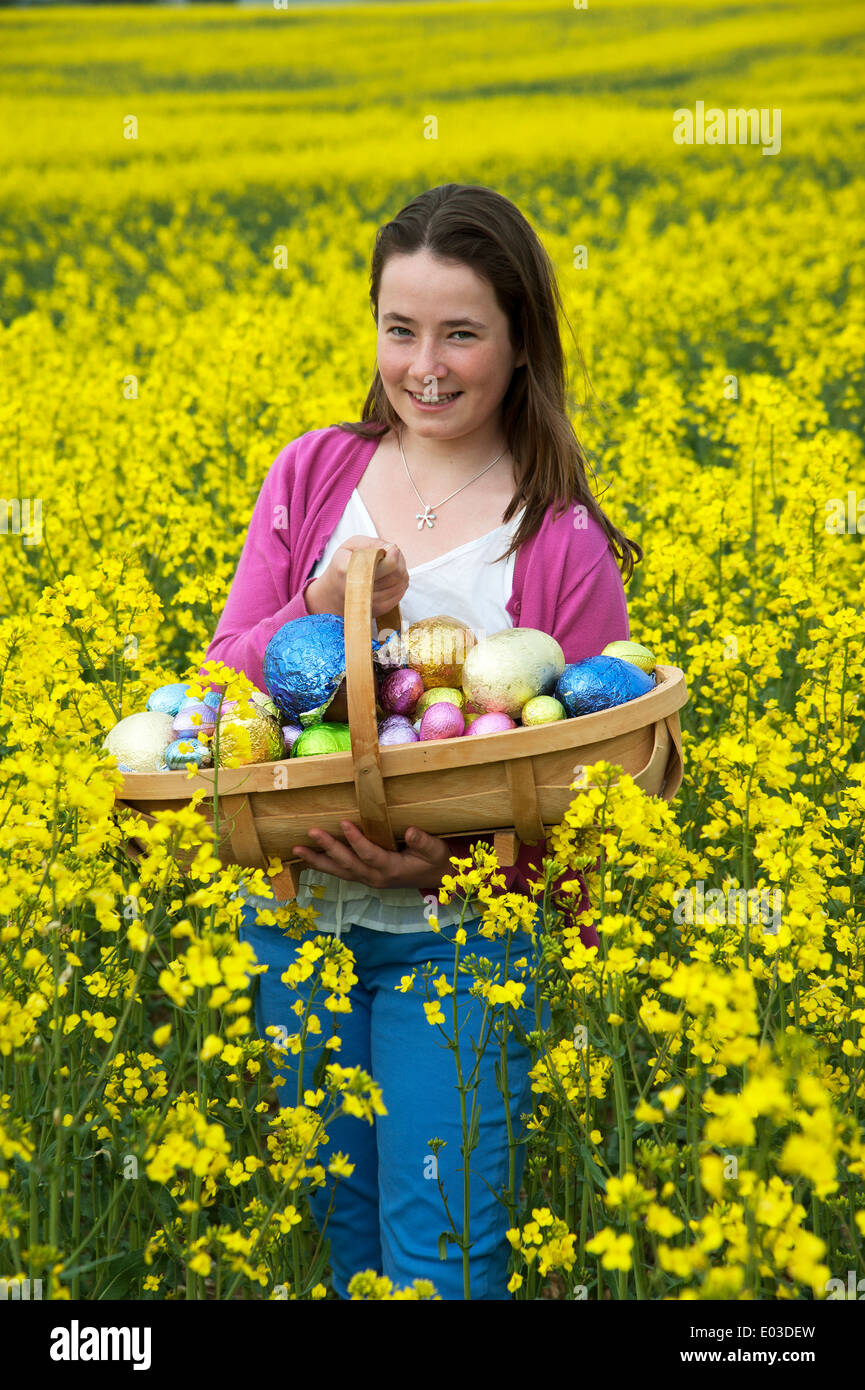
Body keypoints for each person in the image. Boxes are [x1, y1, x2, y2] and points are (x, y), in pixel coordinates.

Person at [200, 183, 642, 1300]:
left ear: (519, 340)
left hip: (459, 945)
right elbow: (222, 686)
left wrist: (455, 869)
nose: (425, 366)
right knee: (344, 1254)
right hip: (291, 927)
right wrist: (322, 602)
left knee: (439, 1263)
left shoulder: (561, 538)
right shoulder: (312, 474)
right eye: (401, 329)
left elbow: (603, 785)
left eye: (461, 333)